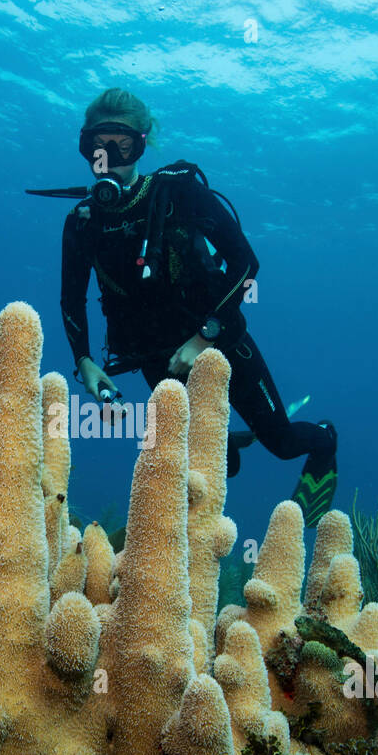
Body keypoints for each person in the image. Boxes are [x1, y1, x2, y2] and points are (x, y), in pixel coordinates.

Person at [59, 88, 338, 526]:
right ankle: (231, 441)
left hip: (219, 341)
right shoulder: (82, 223)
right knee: (218, 466)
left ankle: (324, 439)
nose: (109, 156)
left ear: (142, 145)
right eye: (98, 144)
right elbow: (71, 299)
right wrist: (84, 360)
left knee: (281, 442)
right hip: (157, 361)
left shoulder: (181, 195)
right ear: (84, 146)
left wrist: (203, 336)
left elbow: (246, 263)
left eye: (123, 144)